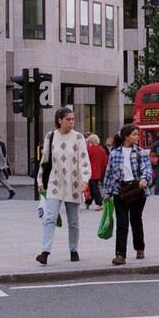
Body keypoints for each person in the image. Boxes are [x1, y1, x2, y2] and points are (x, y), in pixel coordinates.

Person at [36, 107, 91, 265]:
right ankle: (45, 251)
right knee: (50, 218)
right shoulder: (51, 136)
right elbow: (45, 160)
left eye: (73, 119)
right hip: (55, 182)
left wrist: (85, 179)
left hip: (73, 182)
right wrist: (40, 181)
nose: (71, 122)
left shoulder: (79, 137)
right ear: (59, 120)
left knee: (73, 221)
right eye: (68, 119)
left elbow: (83, 159)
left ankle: (73, 249)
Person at [103, 125, 152, 264]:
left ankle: (139, 247)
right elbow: (109, 173)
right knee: (122, 223)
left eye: (137, 134)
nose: (137, 137)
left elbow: (147, 168)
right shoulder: (114, 153)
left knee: (136, 220)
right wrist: (107, 192)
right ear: (126, 136)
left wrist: (144, 179)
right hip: (120, 190)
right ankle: (120, 255)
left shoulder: (141, 152)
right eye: (134, 134)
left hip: (137, 190)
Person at [85, 134, 107, 209]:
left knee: (93, 188)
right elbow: (105, 161)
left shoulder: (89, 149)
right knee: (92, 187)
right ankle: (88, 203)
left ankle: (99, 203)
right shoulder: (102, 150)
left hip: (91, 172)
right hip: (99, 172)